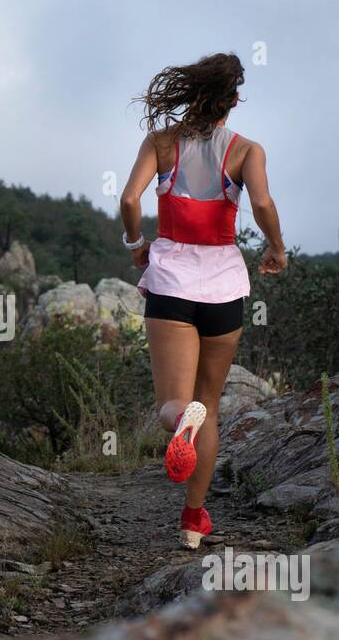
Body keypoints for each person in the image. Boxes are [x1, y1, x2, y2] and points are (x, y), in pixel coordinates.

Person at [118, 53, 287, 548]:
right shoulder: (247, 151)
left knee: (174, 402)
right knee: (208, 404)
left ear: (190, 93)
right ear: (233, 101)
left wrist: (136, 246)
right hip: (224, 287)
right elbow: (261, 204)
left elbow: (129, 200)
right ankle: (193, 521)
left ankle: (179, 425)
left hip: (171, 281)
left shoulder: (161, 143)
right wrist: (276, 247)